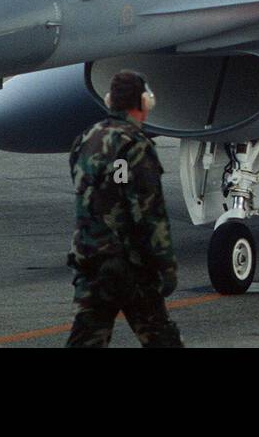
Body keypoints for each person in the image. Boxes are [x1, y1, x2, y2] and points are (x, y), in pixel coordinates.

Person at [66, 70, 183, 347]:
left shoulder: (86, 138)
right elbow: (149, 213)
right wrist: (165, 266)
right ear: (144, 102)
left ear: (109, 101)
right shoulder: (136, 145)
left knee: (86, 339)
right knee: (161, 339)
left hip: (91, 260)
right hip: (130, 267)